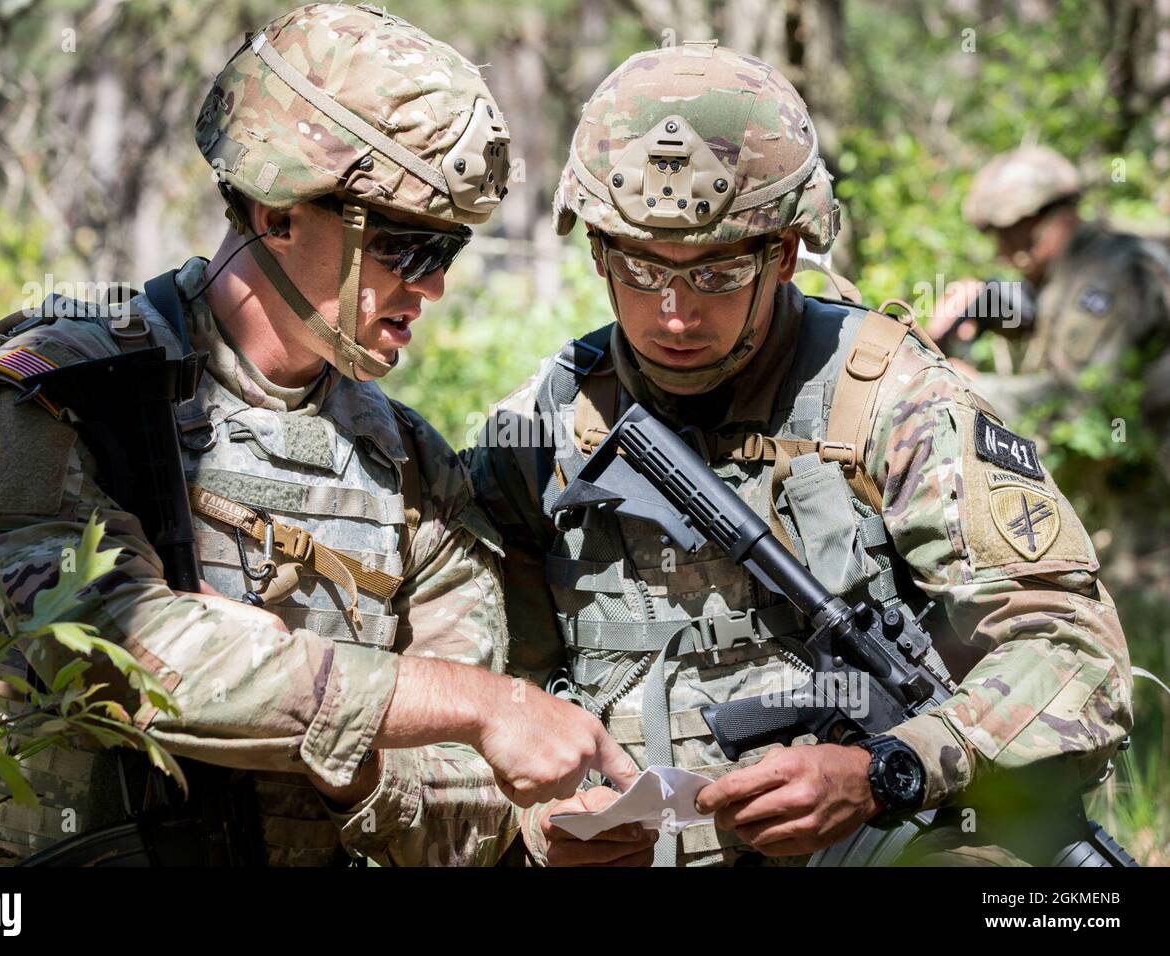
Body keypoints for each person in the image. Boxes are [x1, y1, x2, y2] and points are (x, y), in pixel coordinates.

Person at [0, 2, 634, 867]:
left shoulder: (412, 470)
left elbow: (472, 813)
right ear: (277, 212)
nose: (430, 291)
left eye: (447, 254)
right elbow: (119, 656)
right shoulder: (61, 393)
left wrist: (360, 763)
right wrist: (461, 702)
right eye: (405, 249)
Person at [467, 43, 1134, 867]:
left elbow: (1075, 652)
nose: (673, 315)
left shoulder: (890, 398)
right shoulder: (542, 430)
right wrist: (541, 823)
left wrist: (891, 767)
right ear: (598, 252)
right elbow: (472, 685)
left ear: (783, 254)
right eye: (641, 269)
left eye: (715, 274)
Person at [927, 145, 1170, 424]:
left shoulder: (1108, 277)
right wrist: (984, 301)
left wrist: (967, 386)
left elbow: (1078, 408)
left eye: (1009, 236)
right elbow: (1040, 305)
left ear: (1046, 220)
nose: (1003, 254)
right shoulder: (1084, 260)